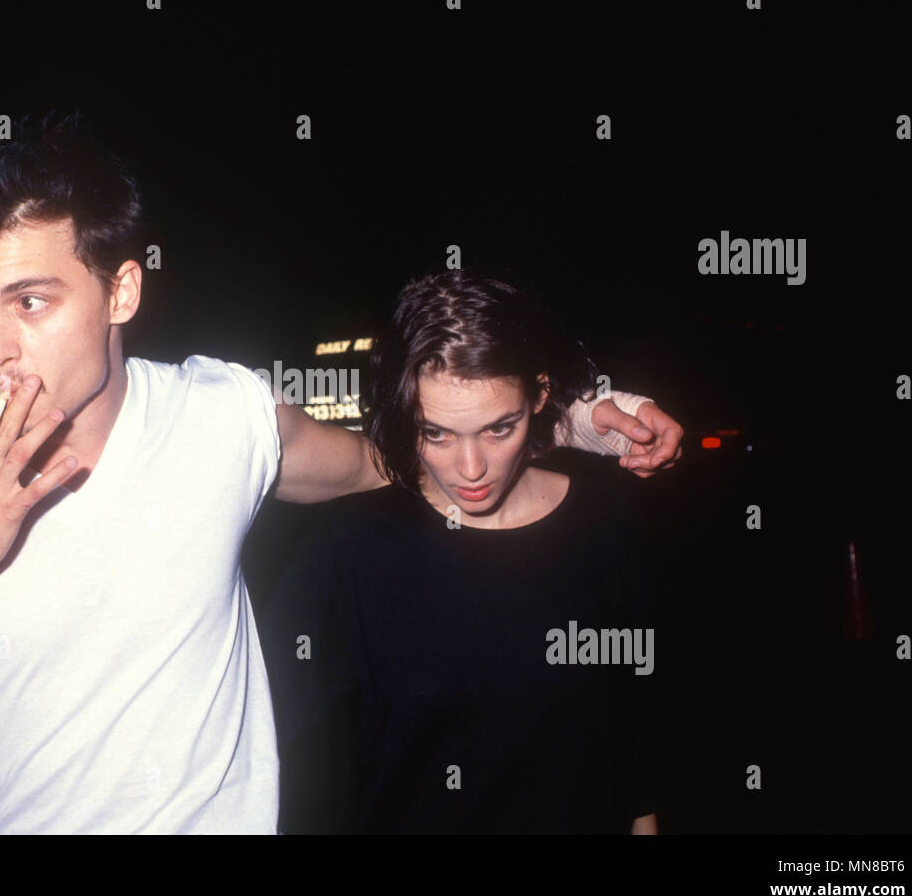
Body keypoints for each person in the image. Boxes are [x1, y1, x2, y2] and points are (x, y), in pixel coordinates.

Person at [0, 113, 683, 834]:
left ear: (122, 292)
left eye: (29, 302)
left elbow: (396, 458)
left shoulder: (220, 415)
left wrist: (575, 419)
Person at [263, 270, 669, 833]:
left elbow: (631, 729)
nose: (471, 469)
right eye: (436, 433)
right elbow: (275, 746)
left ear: (540, 396)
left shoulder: (604, 527)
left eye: (499, 429)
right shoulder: (352, 546)